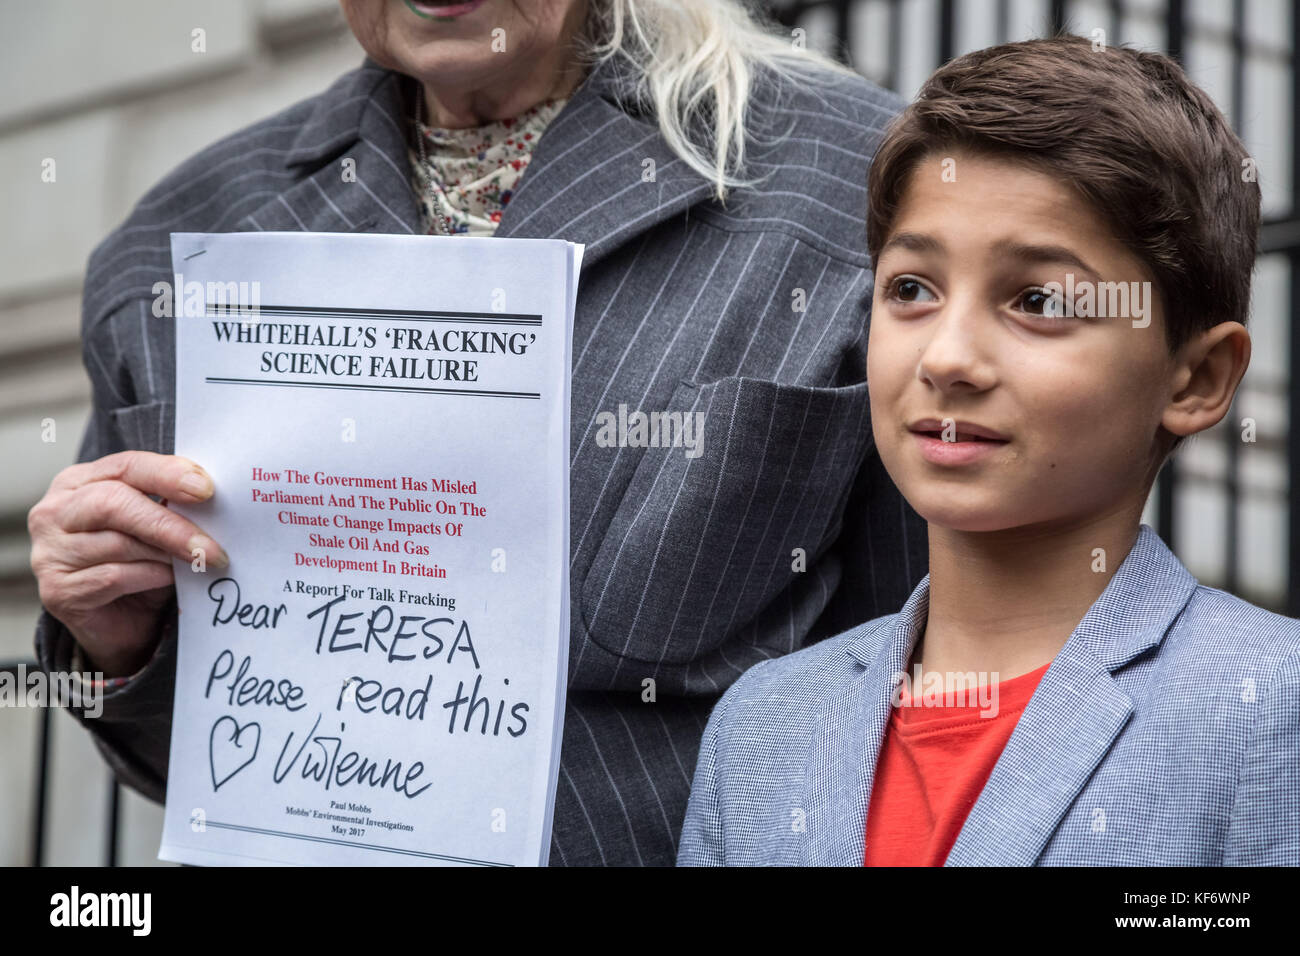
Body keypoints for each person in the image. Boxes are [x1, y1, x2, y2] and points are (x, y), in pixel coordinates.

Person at [27, 0, 927, 866]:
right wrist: (121, 639)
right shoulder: (184, 235)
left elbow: (931, 672)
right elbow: (184, 767)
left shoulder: (850, 181)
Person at [677, 33, 1300, 866]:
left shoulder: (1269, 707)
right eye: (911, 290)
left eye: (1037, 298)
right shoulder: (759, 726)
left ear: (1195, 379)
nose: (946, 358)